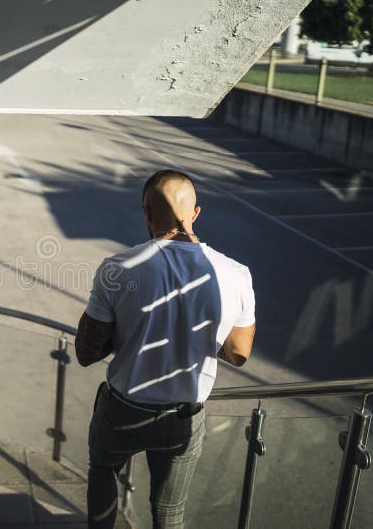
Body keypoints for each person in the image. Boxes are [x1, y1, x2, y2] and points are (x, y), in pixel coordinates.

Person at [75, 169, 256, 528]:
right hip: (183, 415)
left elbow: (85, 352)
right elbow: (239, 353)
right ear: (195, 214)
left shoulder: (117, 267)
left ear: (145, 212)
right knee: (170, 512)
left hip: (123, 408)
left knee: (102, 470)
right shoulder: (236, 274)